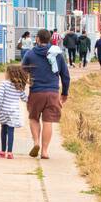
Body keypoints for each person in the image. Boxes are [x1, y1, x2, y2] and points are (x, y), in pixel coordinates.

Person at [21, 29, 70, 159]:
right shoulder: (58, 54)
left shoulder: (30, 54)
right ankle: (45, 151)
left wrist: (20, 88)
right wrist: (64, 93)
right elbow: (65, 76)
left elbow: (22, 73)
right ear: (49, 39)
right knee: (48, 121)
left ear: (37, 39)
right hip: (52, 92)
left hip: (36, 92)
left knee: (33, 118)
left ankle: (36, 142)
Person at [0, 65, 30, 158]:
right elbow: (25, 98)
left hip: (3, 111)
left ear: (9, 74)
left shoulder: (3, 84)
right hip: (13, 112)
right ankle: (10, 152)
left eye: (6, 72)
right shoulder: (19, 85)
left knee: (3, 130)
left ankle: (3, 150)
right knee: (11, 131)